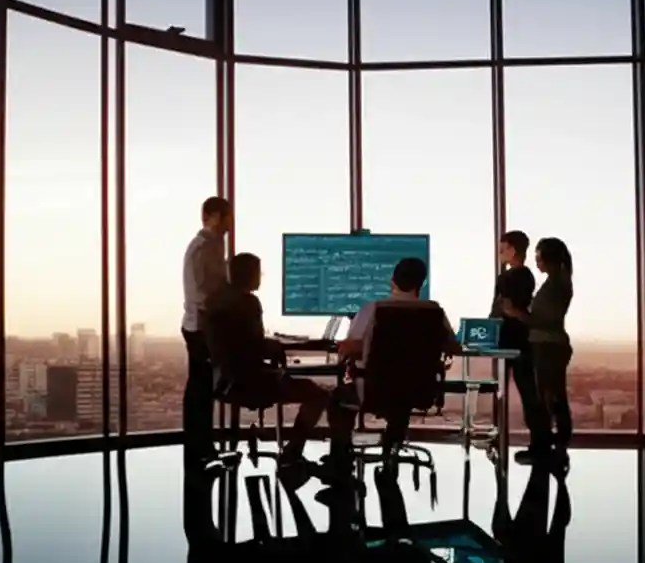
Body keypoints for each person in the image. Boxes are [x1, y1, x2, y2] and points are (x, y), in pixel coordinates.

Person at [203, 252, 333, 465]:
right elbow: (256, 347)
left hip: (223, 381)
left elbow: (241, 344)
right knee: (318, 395)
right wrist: (277, 346)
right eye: (258, 272)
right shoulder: (248, 303)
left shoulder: (215, 300)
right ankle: (293, 452)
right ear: (249, 275)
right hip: (251, 382)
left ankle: (291, 451)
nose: (260, 277)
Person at [337, 257, 460, 450]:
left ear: (392, 281)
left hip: (376, 388)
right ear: (422, 283)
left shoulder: (375, 310)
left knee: (338, 399)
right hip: (418, 388)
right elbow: (452, 347)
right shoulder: (434, 312)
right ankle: (392, 448)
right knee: (401, 396)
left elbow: (351, 348)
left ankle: (340, 457)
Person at [503, 237, 574, 462]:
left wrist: (516, 314)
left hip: (548, 347)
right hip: (547, 346)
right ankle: (553, 448)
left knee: (551, 400)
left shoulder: (555, 286)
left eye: (539, 256)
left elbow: (545, 321)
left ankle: (550, 449)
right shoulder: (555, 283)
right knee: (551, 398)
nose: (536, 261)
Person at [181, 196, 231, 463]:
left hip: (202, 325)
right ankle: (200, 450)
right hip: (201, 327)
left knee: (201, 390)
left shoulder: (212, 245)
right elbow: (203, 293)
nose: (230, 224)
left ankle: (201, 448)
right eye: (226, 217)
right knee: (200, 392)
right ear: (211, 216)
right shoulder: (203, 248)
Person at [491, 230, 547, 465]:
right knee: (529, 395)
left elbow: (502, 310)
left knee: (526, 395)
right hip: (521, 341)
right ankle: (540, 445)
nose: (500, 253)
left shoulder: (509, 278)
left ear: (513, 250)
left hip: (510, 342)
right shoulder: (526, 277)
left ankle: (537, 446)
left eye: (503, 248)